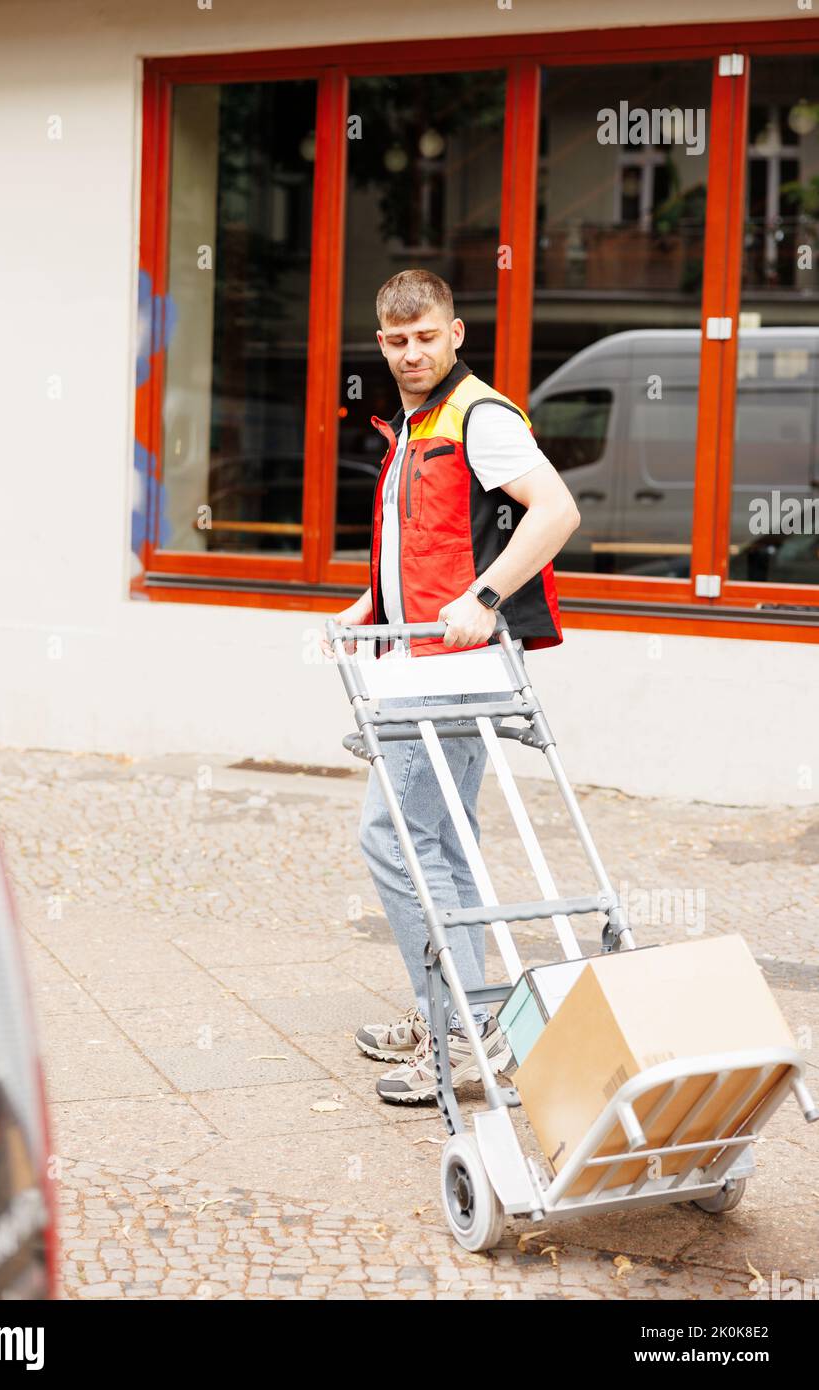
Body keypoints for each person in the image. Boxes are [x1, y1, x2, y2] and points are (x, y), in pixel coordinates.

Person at [322, 269, 580, 1103]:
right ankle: (468, 1015)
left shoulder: (481, 415)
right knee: (445, 842)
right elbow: (426, 538)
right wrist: (372, 602)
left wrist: (485, 597)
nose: (410, 353)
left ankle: (459, 1036)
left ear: (456, 333)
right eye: (395, 341)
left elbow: (555, 511)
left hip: (451, 667)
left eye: (425, 337)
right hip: (415, 659)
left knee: (394, 840)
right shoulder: (414, 420)